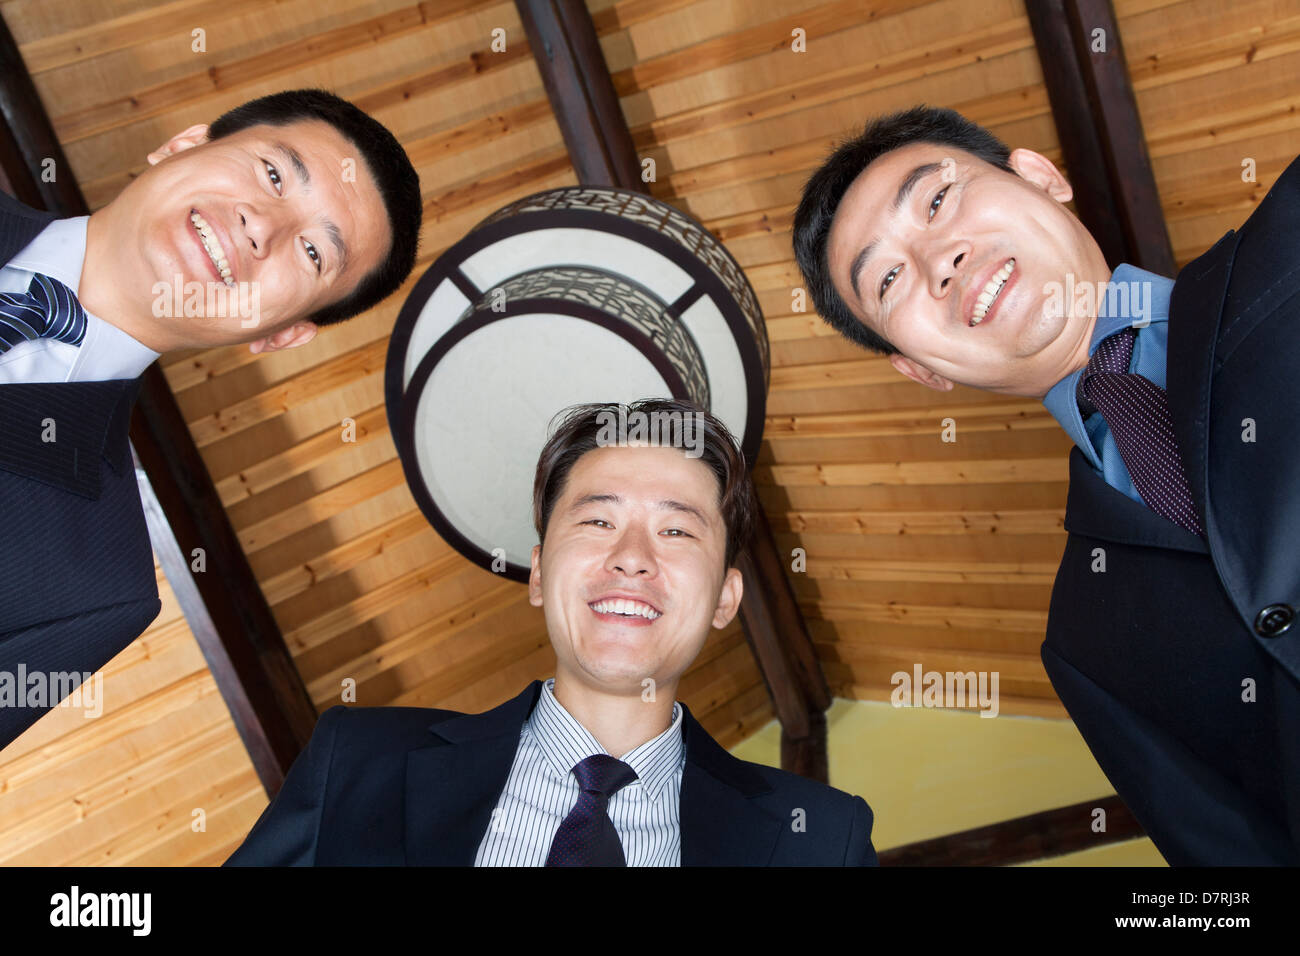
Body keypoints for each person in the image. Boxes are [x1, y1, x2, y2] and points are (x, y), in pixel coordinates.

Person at [791, 104, 1300, 865]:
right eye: (891, 279)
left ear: (1041, 176)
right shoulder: (1083, 648)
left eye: (936, 200)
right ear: (920, 369)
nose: (940, 262)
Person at [225, 399, 878, 866]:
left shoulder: (818, 838)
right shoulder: (360, 763)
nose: (631, 555)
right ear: (539, 573)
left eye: (676, 530)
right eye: (597, 521)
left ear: (725, 599)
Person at [0, 88, 422, 749]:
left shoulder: (98, 589)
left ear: (282, 334)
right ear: (183, 145)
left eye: (314, 253)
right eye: (274, 174)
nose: (263, 226)